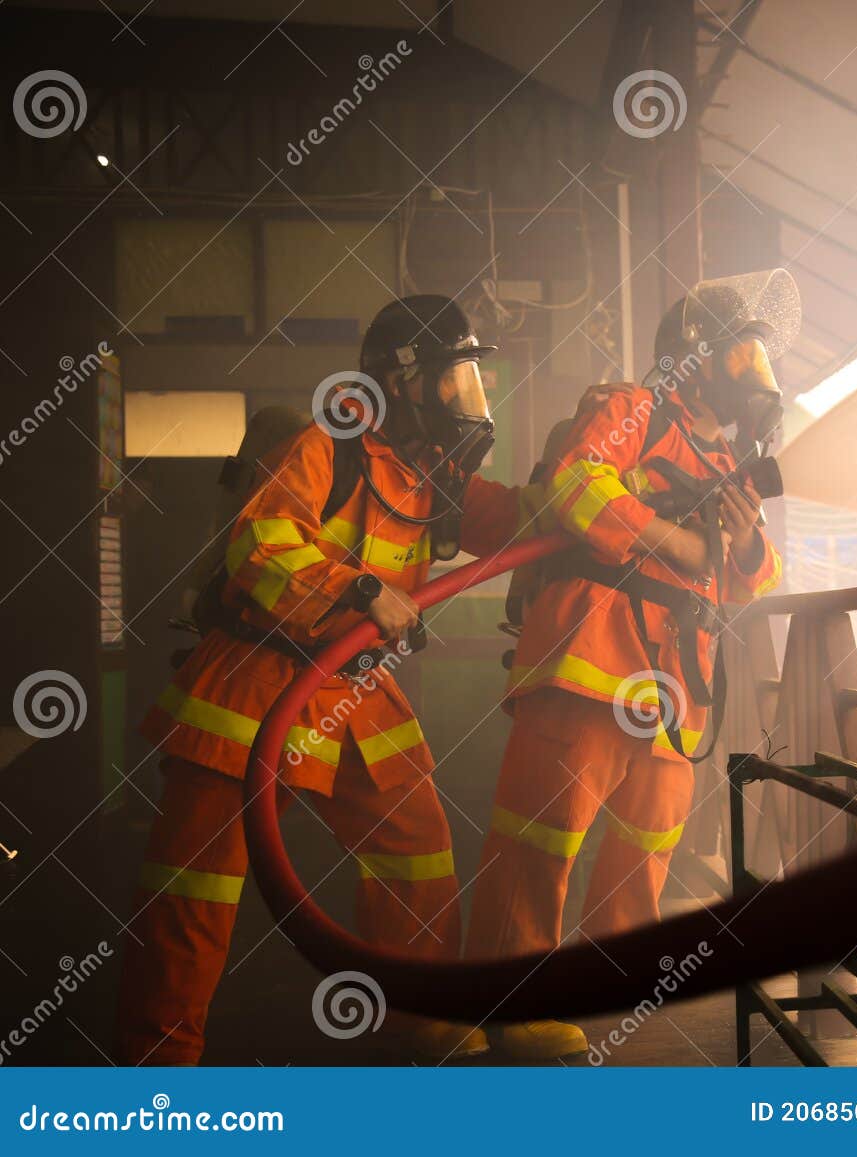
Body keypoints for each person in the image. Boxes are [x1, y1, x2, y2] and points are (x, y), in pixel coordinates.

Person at [116, 295, 541, 1064]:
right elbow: (260, 542)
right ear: (402, 380)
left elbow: (519, 518)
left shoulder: (427, 475)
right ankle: (156, 1064)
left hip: (353, 689)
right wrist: (361, 589)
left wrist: (591, 492)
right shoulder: (326, 446)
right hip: (253, 682)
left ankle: (417, 1009)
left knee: (416, 845)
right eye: (453, 380)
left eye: (470, 382)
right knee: (197, 888)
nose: (466, 400)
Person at [464, 270, 796, 1061]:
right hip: (590, 654)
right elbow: (580, 483)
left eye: (759, 357)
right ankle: (513, 1000)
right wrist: (685, 543)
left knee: (646, 844)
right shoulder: (632, 411)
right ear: (697, 358)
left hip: (673, 682)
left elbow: (755, 576)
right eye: (743, 354)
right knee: (541, 838)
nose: (757, 372)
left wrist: (741, 541)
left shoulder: (724, 458)